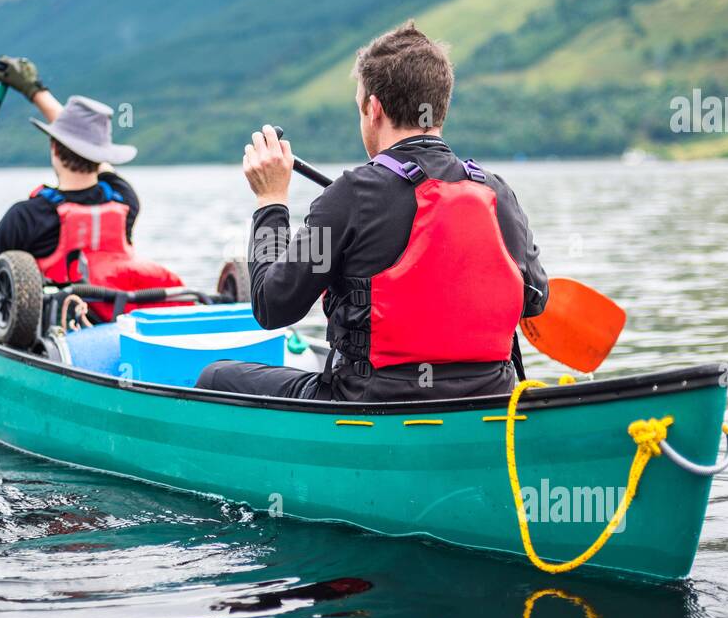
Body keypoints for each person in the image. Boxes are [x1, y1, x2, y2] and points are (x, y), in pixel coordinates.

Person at [195, 21, 549, 403]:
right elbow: (535, 299)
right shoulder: (496, 192)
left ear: (373, 108)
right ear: (440, 106)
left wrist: (271, 201)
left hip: (370, 402)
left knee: (216, 375)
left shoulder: (350, 195)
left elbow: (271, 305)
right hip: (490, 400)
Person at [0, 56, 180, 322]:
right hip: (105, 312)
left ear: (54, 146)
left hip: (50, 324)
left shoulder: (27, 216)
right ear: (101, 155)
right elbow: (91, 153)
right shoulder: (125, 200)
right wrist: (34, 90)